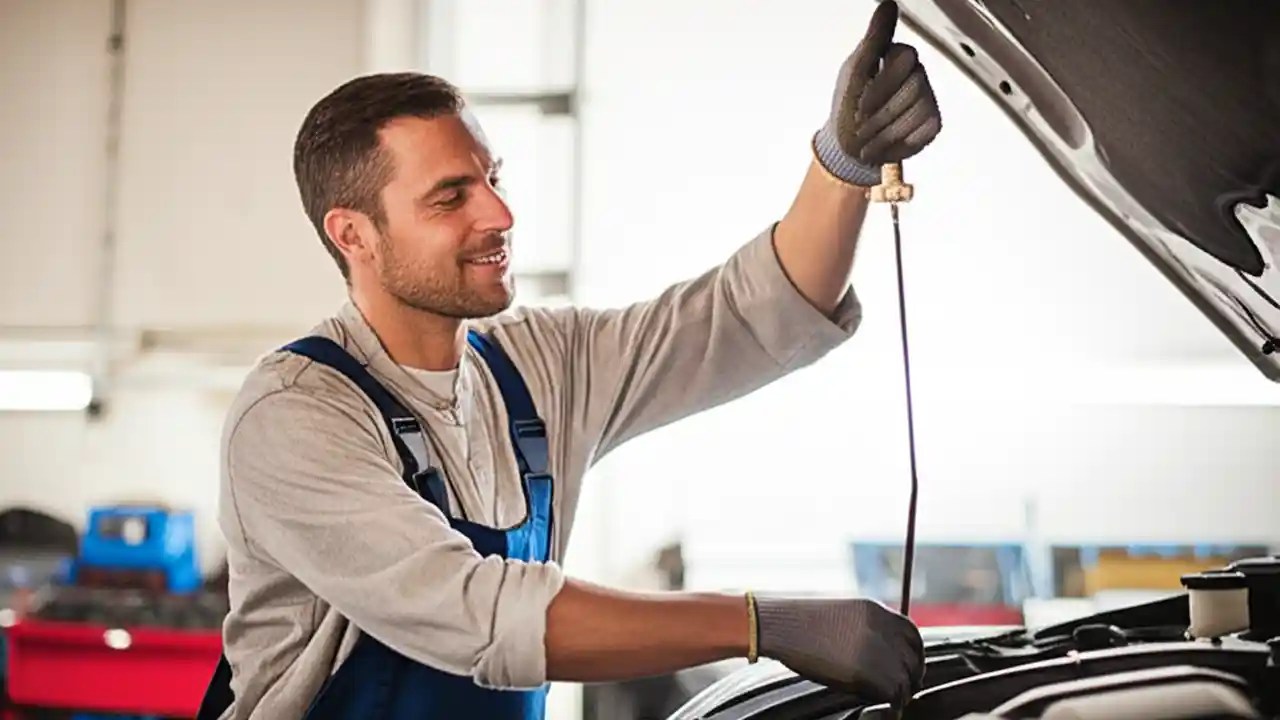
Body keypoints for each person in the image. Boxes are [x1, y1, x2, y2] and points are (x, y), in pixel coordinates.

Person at [200, 2, 942, 718]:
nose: (500, 214)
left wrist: (842, 165)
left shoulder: (537, 367)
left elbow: (749, 319)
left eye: (493, 178)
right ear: (353, 235)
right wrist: (762, 624)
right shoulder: (295, 414)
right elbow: (480, 616)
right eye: (451, 196)